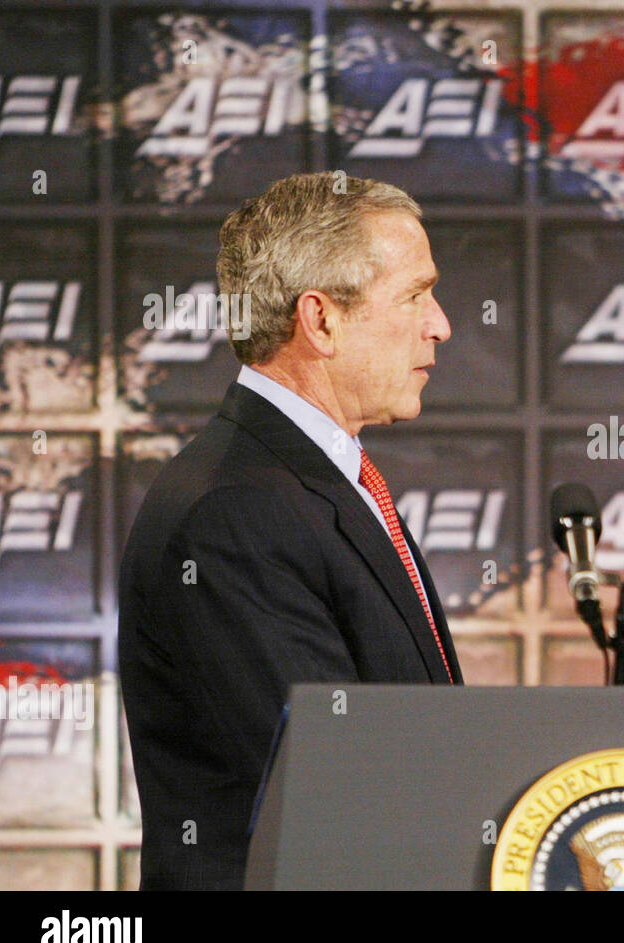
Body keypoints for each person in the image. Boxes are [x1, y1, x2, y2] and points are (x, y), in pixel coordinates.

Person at [118, 173, 463, 890]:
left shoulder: (307, 479)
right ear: (322, 321)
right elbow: (324, 791)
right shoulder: (235, 512)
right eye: (414, 295)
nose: (440, 325)